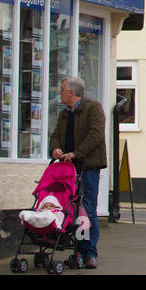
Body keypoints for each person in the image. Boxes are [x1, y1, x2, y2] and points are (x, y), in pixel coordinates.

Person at [49, 76, 106, 269]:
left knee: (86, 210)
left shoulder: (93, 108)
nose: (60, 92)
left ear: (71, 92)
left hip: (87, 167)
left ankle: (88, 252)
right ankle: (77, 249)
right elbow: (56, 135)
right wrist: (55, 149)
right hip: (68, 168)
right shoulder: (65, 113)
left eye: (62, 89)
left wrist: (76, 153)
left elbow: (96, 135)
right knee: (69, 209)